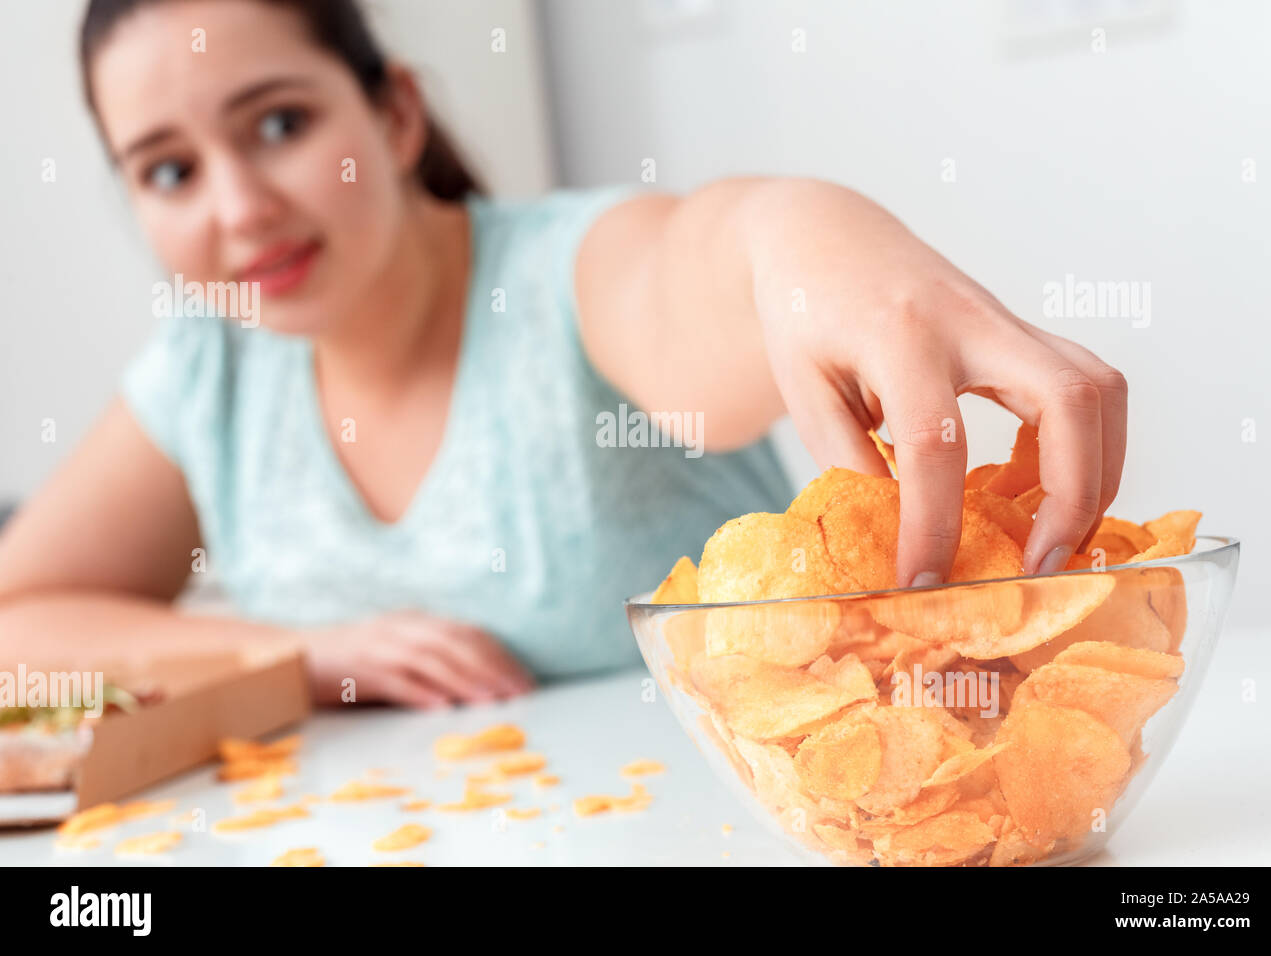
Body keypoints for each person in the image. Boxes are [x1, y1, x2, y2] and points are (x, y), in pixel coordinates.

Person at [0, 0, 1126, 708]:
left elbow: (709, 264)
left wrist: (804, 237)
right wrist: (298, 654)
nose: (239, 209)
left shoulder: (564, 274)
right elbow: (21, 625)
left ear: (395, 117)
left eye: (281, 124)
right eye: (168, 170)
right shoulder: (207, 371)